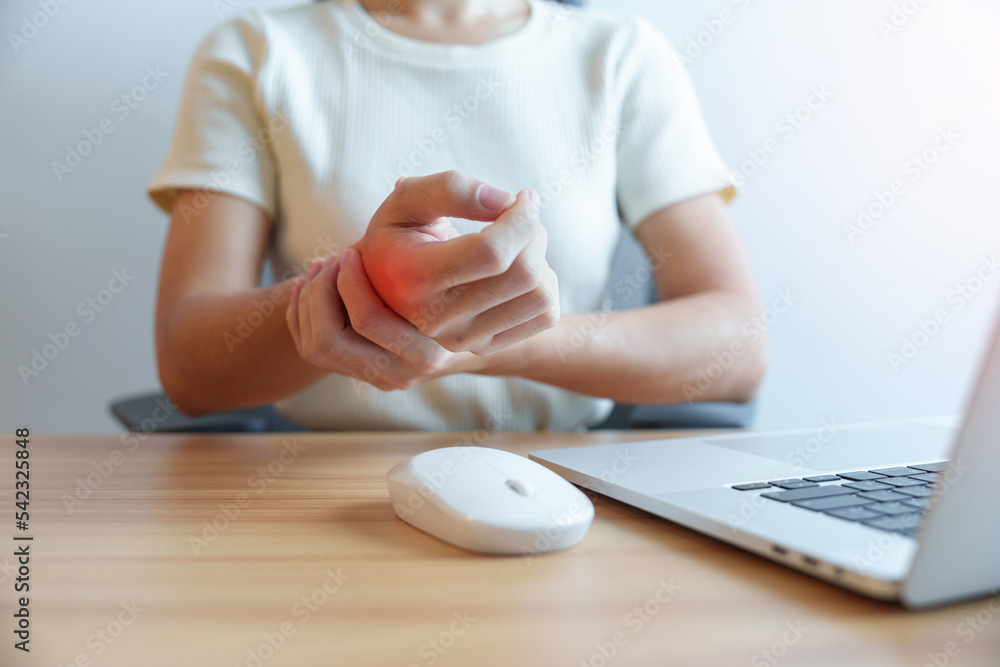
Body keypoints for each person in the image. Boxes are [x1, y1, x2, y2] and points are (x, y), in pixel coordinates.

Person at [148, 0, 767, 431]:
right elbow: (187, 365)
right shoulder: (256, 51)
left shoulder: (622, 55)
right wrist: (362, 291)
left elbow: (738, 344)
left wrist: (493, 344)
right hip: (321, 490)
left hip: (565, 490)